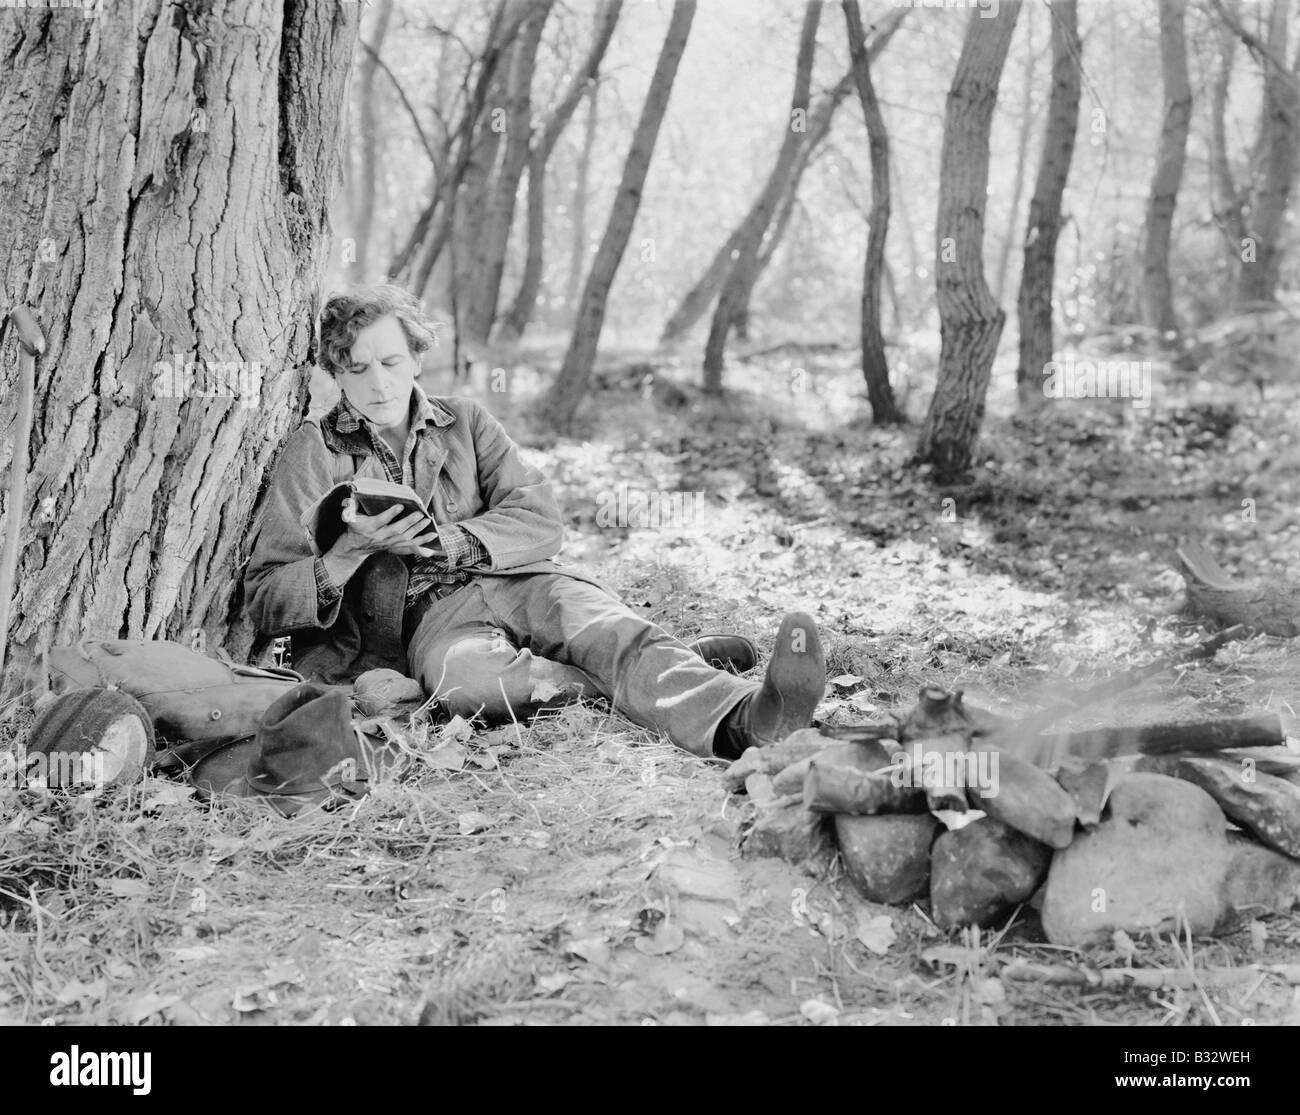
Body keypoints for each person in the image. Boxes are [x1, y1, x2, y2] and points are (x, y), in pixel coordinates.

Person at [243, 284, 826, 760]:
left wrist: (449, 540)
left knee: (602, 627)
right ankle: (649, 673)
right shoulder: (313, 450)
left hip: (519, 580)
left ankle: (749, 719)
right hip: (427, 627)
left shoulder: (465, 421)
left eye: (392, 362)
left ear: (419, 358)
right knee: (471, 685)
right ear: (336, 374)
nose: (378, 383)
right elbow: (266, 595)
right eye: (357, 368)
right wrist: (347, 553)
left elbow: (539, 516)